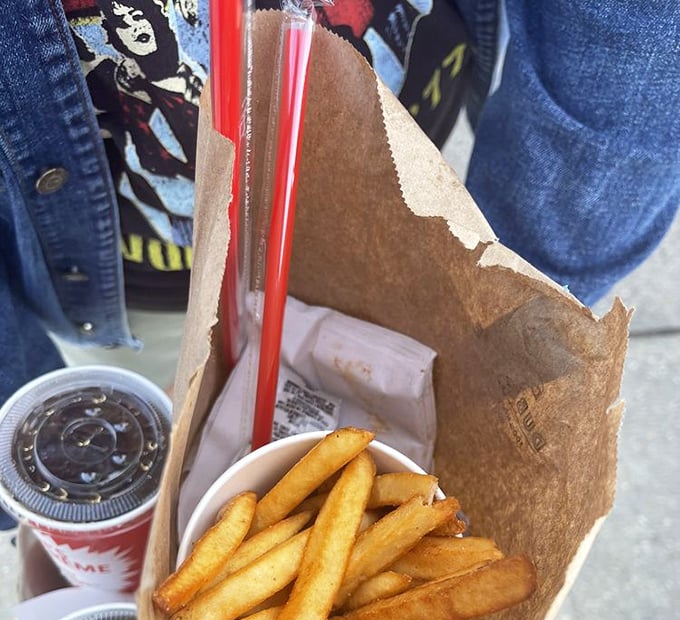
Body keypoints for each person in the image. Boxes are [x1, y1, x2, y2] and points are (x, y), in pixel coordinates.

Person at [1, 0, 678, 495]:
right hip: (129, 275)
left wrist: (509, 298)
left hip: (398, 200)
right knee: (170, 469)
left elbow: (633, 44)